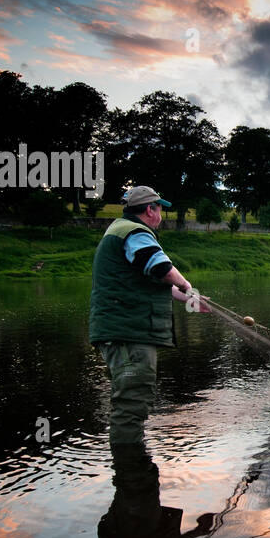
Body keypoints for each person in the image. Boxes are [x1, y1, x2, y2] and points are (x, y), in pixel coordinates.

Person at [89, 185, 208, 451]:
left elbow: (155, 279)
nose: (162, 216)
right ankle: (130, 466)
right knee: (132, 402)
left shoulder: (121, 230)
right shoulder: (136, 232)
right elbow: (162, 268)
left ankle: (131, 467)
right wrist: (188, 285)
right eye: (160, 209)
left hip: (122, 331)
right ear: (149, 210)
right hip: (128, 333)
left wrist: (191, 298)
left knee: (131, 398)